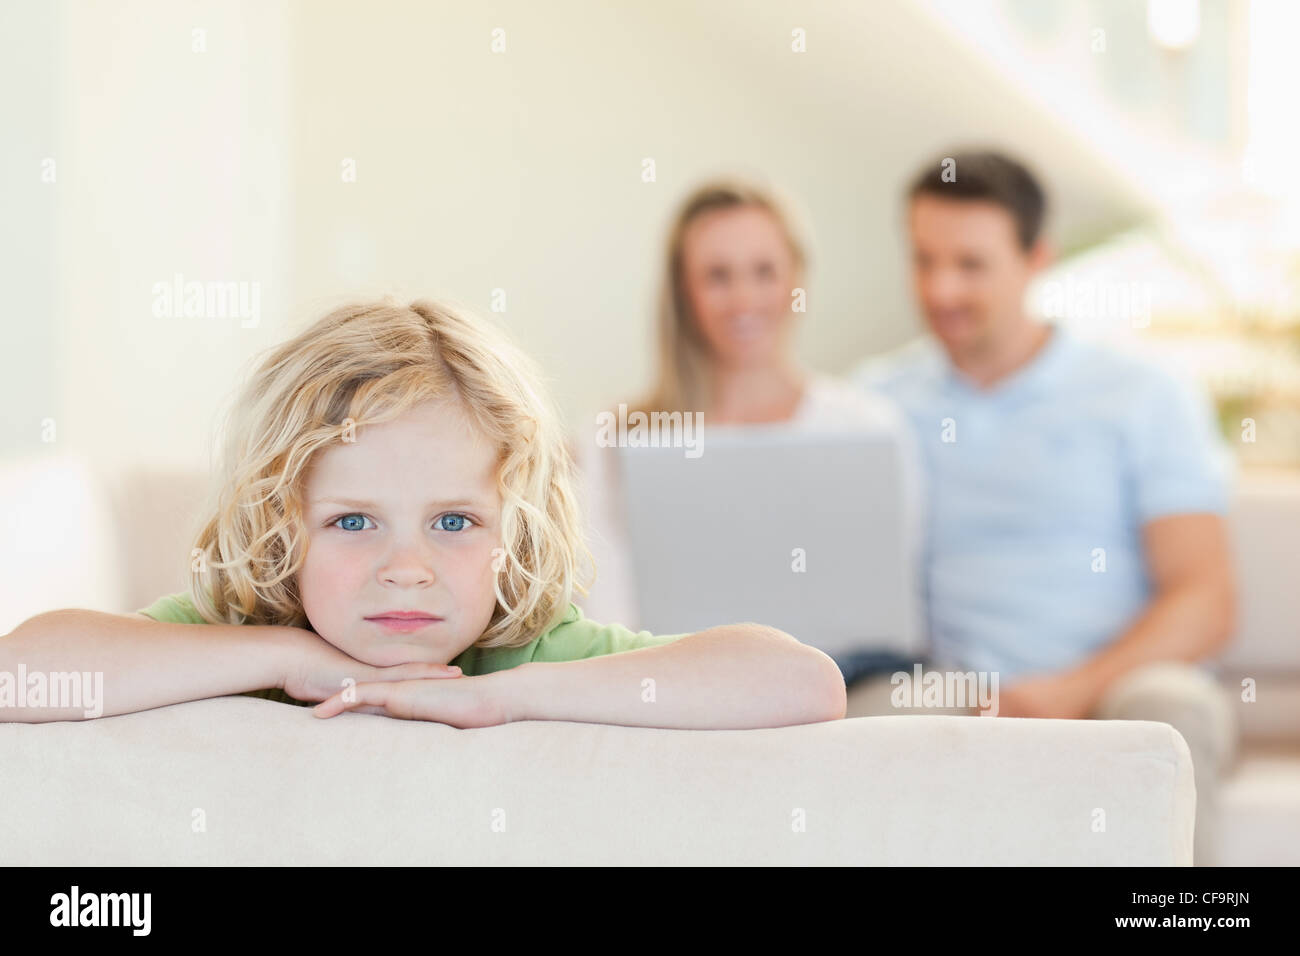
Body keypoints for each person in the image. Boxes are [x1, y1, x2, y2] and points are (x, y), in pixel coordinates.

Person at [2, 297, 844, 729]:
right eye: (354, 521)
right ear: (279, 522)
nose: (407, 568)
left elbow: (800, 681)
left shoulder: (523, 652)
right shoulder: (239, 640)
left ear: (512, 530)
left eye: (453, 523)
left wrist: (510, 699)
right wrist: (289, 655)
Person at [851, 150, 1238, 865]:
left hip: (1119, 678)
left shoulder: (1140, 395)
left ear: (1036, 260)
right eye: (924, 260)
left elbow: (1206, 598)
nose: (941, 288)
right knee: (859, 719)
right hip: (957, 684)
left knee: (1175, 712)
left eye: (970, 265)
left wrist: (1071, 689)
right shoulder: (877, 405)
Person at [575, 177, 922, 651]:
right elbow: (605, 616)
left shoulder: (867, 426)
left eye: (764, 272)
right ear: (683, 292)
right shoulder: (613, 437)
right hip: (673, 684)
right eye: (718, 276)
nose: (744, 300)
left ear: (797, 279)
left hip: (841, 682)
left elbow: (892, 600)